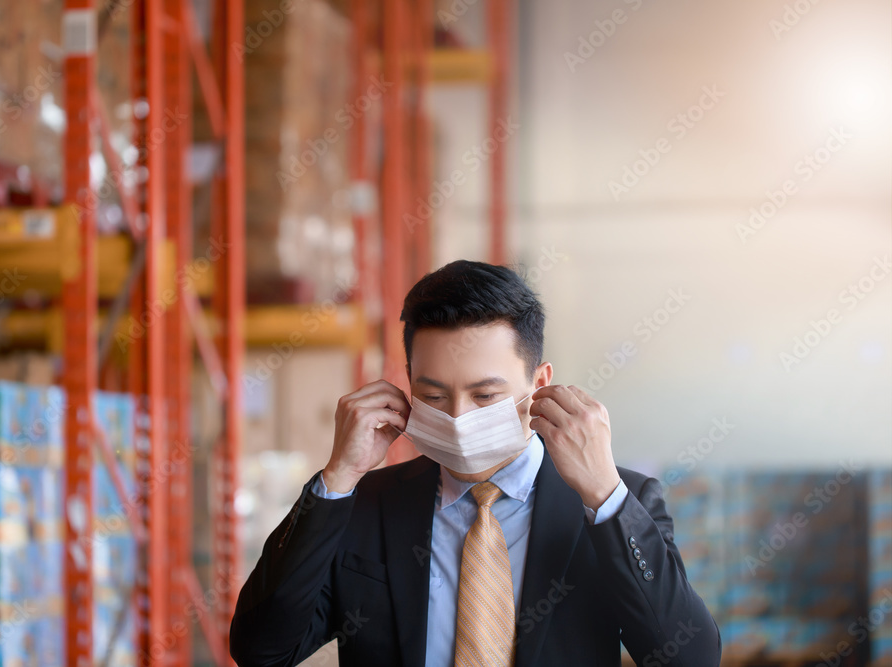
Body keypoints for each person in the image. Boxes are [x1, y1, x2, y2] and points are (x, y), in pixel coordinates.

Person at [231, 260, 721, 667]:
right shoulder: (366, 505)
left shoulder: (612, 504)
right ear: (407, 384)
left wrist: (603, 496)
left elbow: (688, 659)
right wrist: (337, 479)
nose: (460, 418)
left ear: (540, 382)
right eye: (434, 394)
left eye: (485, 394)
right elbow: (261, 650)